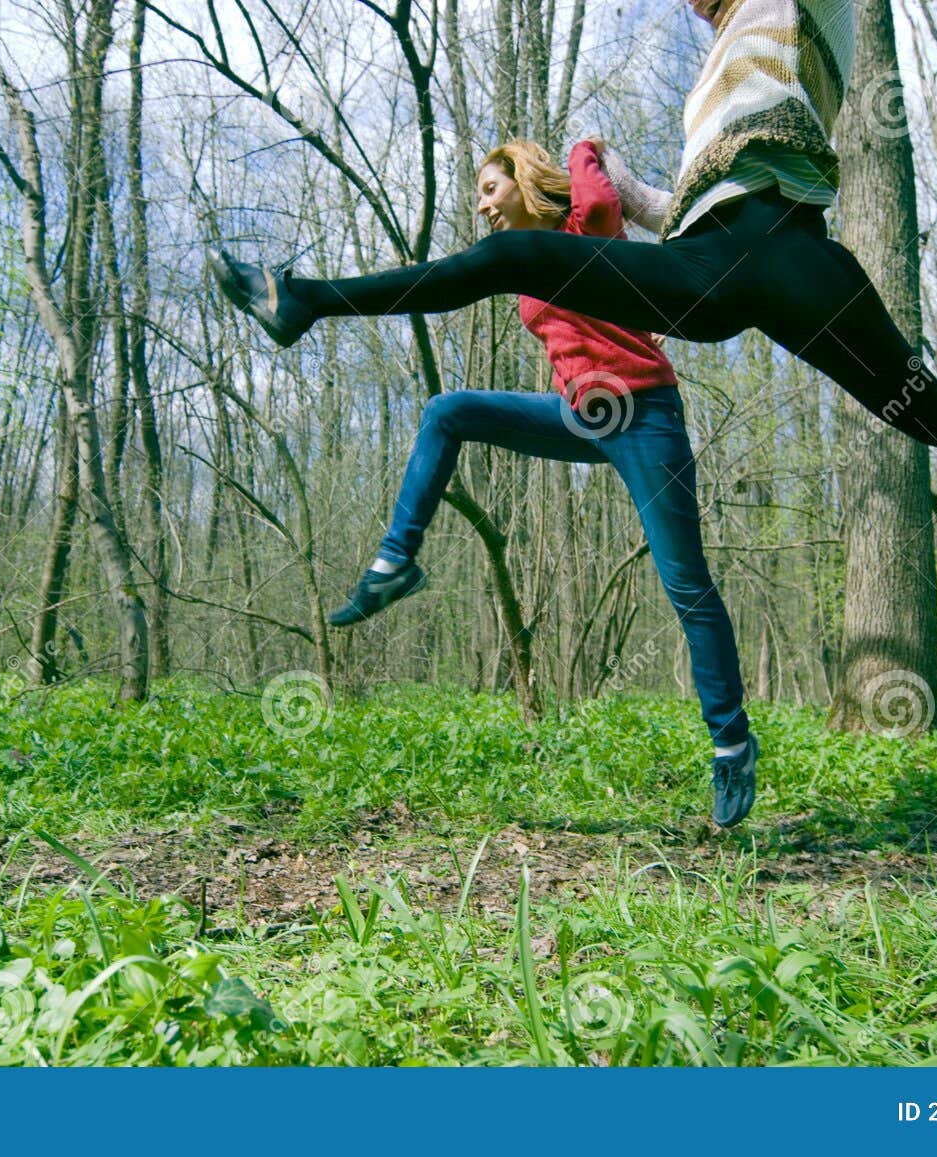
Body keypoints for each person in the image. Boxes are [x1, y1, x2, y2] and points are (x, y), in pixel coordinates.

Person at [205, 0, 937, 596]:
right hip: (709, 271)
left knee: (923, 413)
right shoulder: (708, 77)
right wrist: (629, 192)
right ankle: (306, 301)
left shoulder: (803, 12)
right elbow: (691, 209)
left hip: (801, 264)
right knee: (513, 257)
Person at [318, 137, 758, 827]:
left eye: (491, 189)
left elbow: (603, 197)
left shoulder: (588, 231)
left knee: (686, 583)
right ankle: (394, 561)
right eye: (479, 197)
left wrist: (585, 147)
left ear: (524, 180)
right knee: (447, 411)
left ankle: (732, 743)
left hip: (643, 415)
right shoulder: (521, 268)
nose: (483, 206)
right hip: (580, 416)